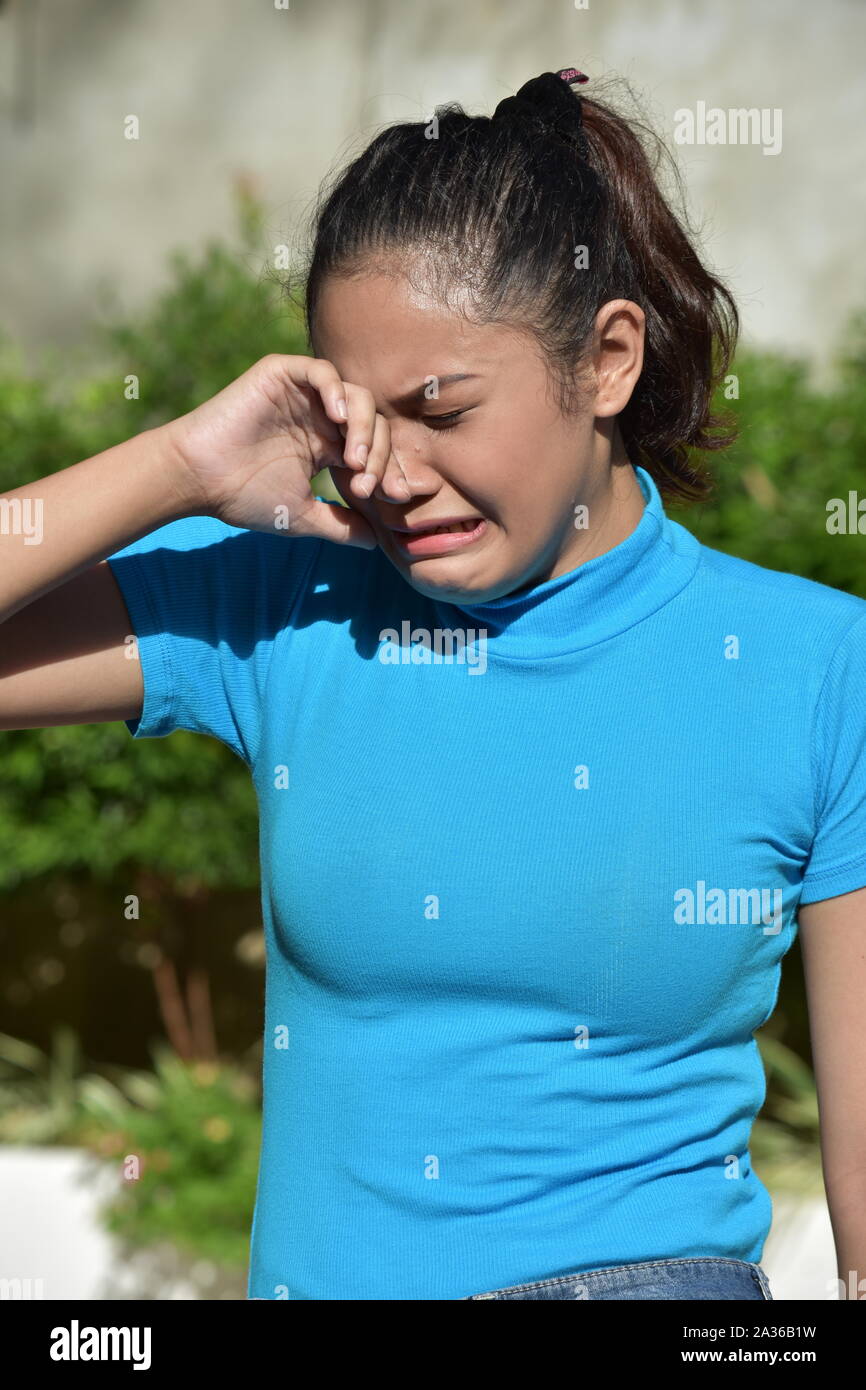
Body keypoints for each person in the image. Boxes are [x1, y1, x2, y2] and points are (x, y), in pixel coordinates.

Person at [2, 69, 865, 1303]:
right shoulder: (288, 603)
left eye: (440, 409)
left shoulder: (821, 670)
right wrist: (177, 464)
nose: (391, 473)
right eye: (359, 418)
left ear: (608, 361)